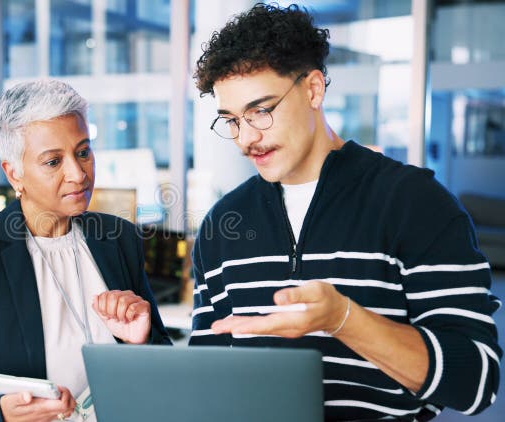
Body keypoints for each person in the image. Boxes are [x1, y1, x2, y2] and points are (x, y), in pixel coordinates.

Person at [189, 3, 501, 421]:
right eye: (231, 120)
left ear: (313, 90)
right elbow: (205, 376)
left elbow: (476, 383)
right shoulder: (222, 225)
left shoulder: (415, 203)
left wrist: (344, 319)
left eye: (261, 111)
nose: (246, 138)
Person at [0, 79, 171, 421]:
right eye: (53, 162)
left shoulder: (118, 238)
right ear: (14, 174)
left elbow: (163, 366)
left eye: (83, 152)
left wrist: (140, 344)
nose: (77, 174)